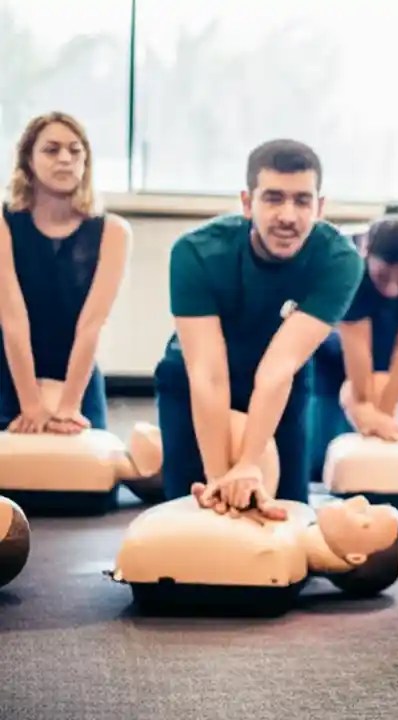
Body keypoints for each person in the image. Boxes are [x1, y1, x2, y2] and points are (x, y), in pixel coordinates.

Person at [154, 139, 362, 517]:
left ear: (320, 206)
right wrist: (218, 477)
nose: (288, 215)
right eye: (273, 198)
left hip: (280, 382)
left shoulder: (339, 260)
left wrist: (249, 463)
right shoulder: (195, 253)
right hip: (194, 380)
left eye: (302, 200)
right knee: (195, 518)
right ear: (247, 203)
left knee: (289, 518)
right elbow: (208, 373)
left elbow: (278, 367)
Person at [0, 111, 131, 434]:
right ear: (28, 160)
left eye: (75, 151)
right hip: (8, 365)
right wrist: (30, 406)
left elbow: (91, 325)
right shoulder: (5, 224)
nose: (64, 159)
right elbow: (13, 319)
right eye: (51, 149)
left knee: (91, 475)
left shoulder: (113, 232)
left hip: (77, 371)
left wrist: (68, 407)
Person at [308, 206, 398, 480]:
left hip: (390, 336)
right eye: (383, 276)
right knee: (357, 398)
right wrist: (362, 408)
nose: (391, 288)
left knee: (383, 399)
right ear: (366, 253)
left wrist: (385, 419)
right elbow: (357, 349)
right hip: (333, 344)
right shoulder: (349, 269)